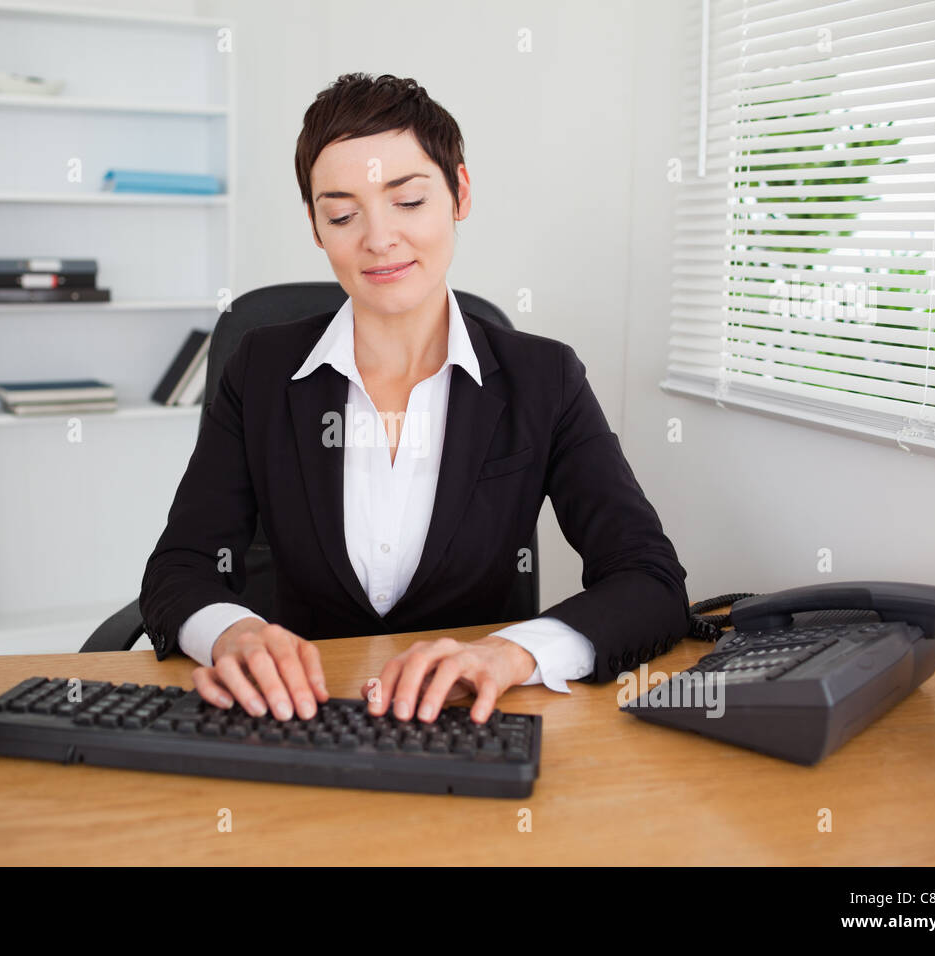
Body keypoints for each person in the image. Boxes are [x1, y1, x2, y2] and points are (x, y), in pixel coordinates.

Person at [140, 73, 688, 726]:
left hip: (474, 724)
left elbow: (648, 580)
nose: (378, 238)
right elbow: (182, 567)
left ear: (459, 193)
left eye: (407, 201)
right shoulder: (259, 369)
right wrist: (232, 632)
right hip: (301, 720)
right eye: (342, 213)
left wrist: (512, 653)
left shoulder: (544, 379)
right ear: (317, 228)